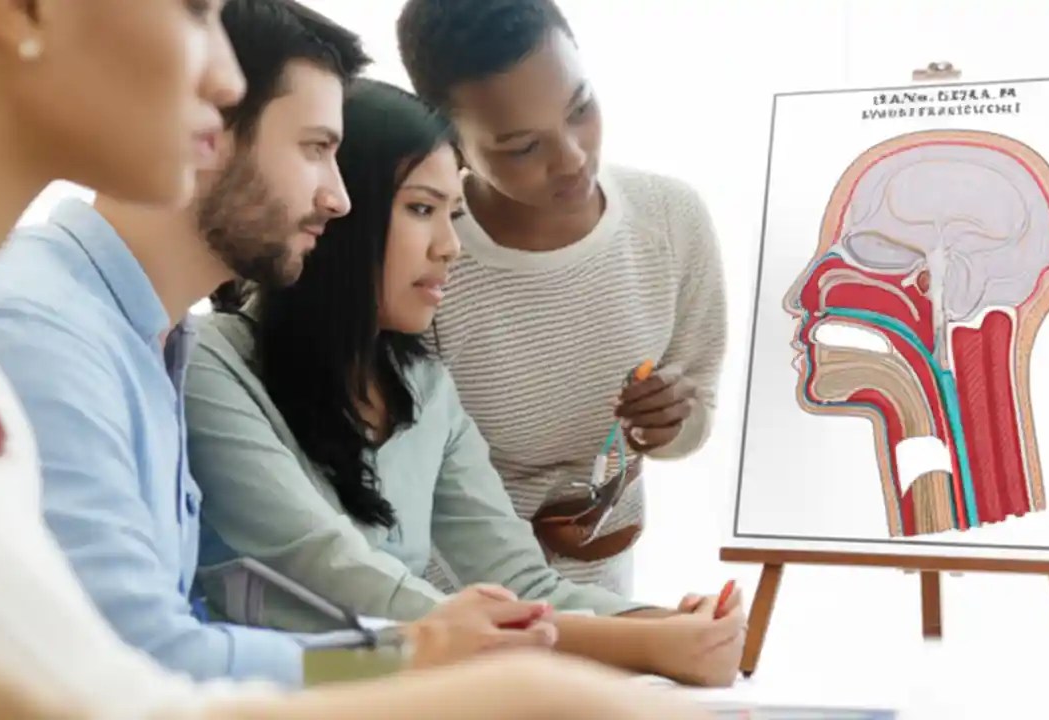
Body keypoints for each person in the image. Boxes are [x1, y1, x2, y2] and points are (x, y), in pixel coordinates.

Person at [0, 0, 713, 718]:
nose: (222, 78)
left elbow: (177, 653)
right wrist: (457, 671)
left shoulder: (128, 336)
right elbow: (138, 674)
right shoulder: (37, 328)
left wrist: (417, 654)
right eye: (196, 11)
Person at [0, 0, 565, 689]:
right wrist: (409, 653)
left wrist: (415, 647)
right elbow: (141, 658)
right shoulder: (42, 330)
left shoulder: (150, 336)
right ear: (209, 128)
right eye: (315, 149)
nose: (339, 200)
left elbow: (197, 638)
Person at [186, 77, 746, 689]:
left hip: (403, 685)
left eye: (452, 215)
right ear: (343, 208)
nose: (451, 248)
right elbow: (354, 583)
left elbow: (524, 583)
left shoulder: (423, 386)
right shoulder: (211, 363)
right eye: (422, 210)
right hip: (282, 690)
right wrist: (649, 645)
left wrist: (675, 623)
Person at [395, 0, 729, 595]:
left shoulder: (672, 220)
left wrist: (669, 424)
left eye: (581, 108)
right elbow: (409, 481)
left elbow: (697, 416)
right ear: (449, 140)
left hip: (601, 575)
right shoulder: (425, 257)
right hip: (456, 597)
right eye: (523, 147)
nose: (572, 157)